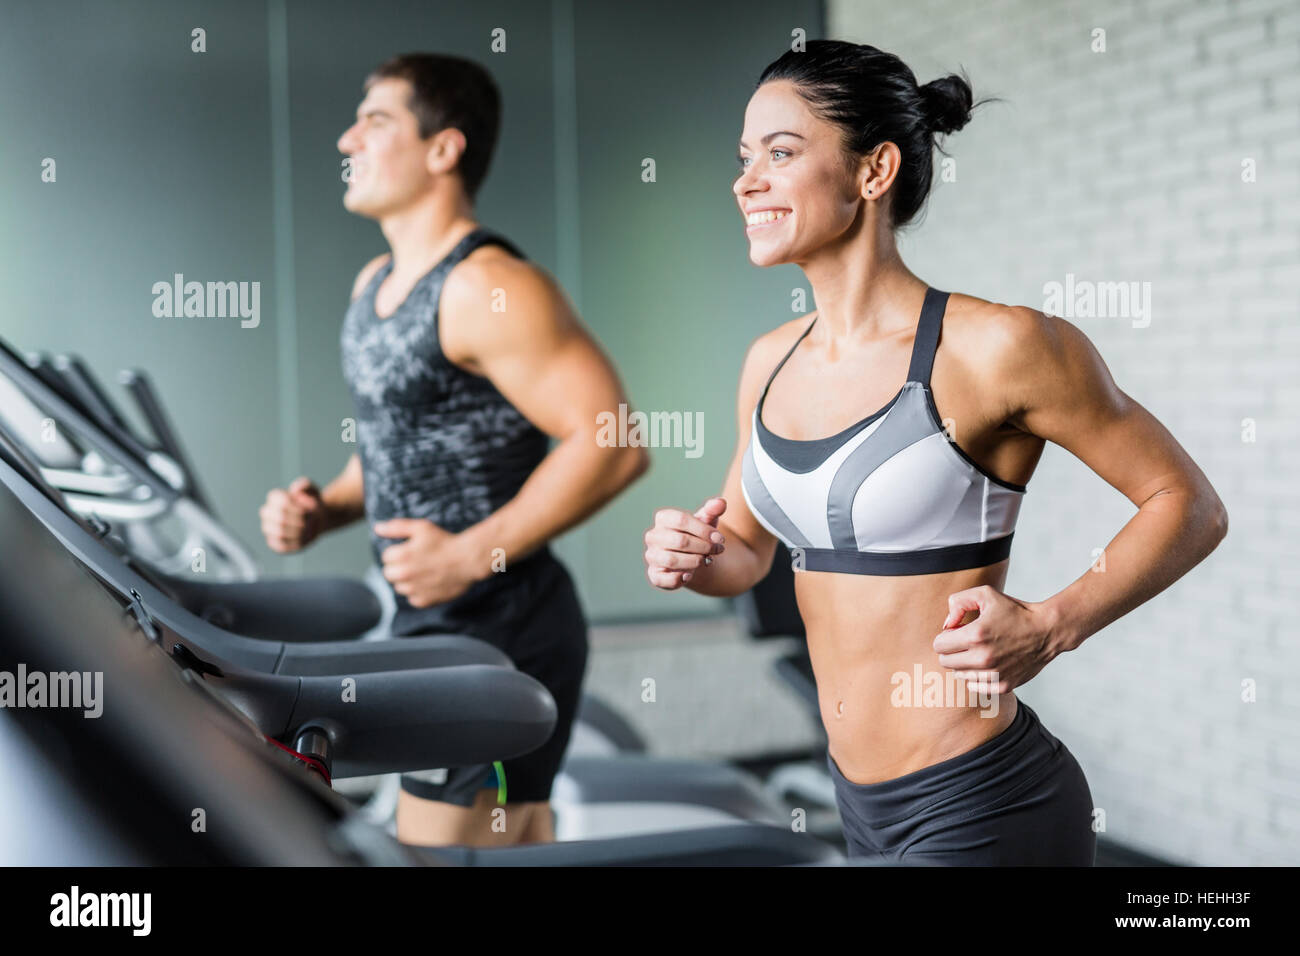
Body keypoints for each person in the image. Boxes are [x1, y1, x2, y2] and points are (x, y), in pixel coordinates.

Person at [642, 39, 1228, 865]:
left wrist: (1054, 624)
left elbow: (1188, 504)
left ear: (873, 170)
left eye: (780, 153)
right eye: (744, 158)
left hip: (983, 798)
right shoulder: (768, 360)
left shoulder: (999, 346)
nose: (746, 181)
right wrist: (693, 555)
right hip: (858, 803)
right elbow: (744, 552)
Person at [259, 52, 648, 847]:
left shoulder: (486, 286)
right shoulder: (373, 284)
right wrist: (325, 509)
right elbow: (400, 447)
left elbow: (613, 441)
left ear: (444, 149)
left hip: (500, 628)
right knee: (508, 845)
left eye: (375, 122)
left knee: (442, 855)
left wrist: (469, 557)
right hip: (431, 627)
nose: (346, 139)